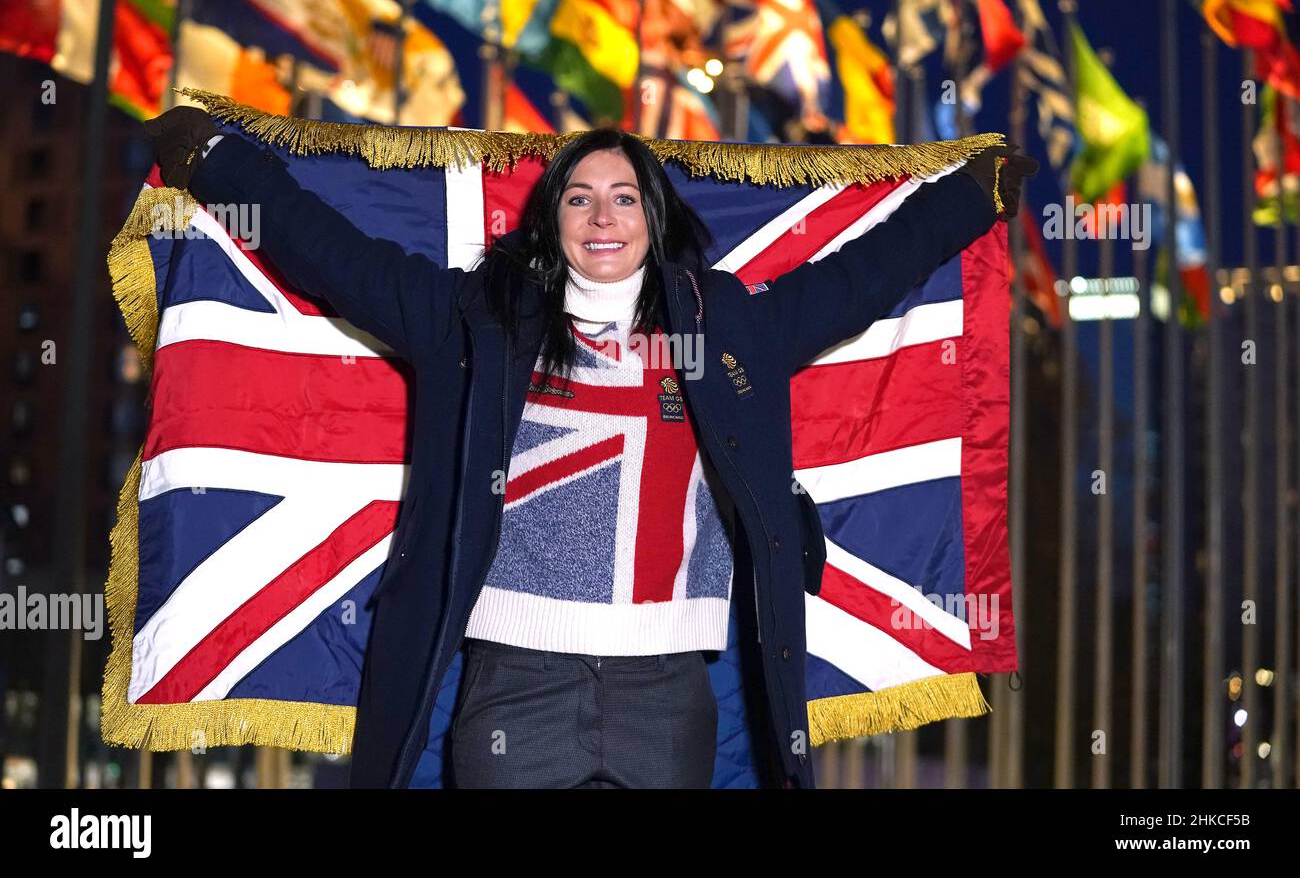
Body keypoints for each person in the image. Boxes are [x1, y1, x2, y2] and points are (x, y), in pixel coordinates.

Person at [144, 106, 1037, 789]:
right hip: (511, 691)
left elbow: (861, 277)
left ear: (653, 214)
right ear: (552, 218)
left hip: (669, 695)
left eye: (622, 197)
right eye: (579, 197)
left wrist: (969, 197)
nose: (601, 217)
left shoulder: (722, 325)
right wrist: (217, 162)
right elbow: (331, 254)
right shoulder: (477, 319)